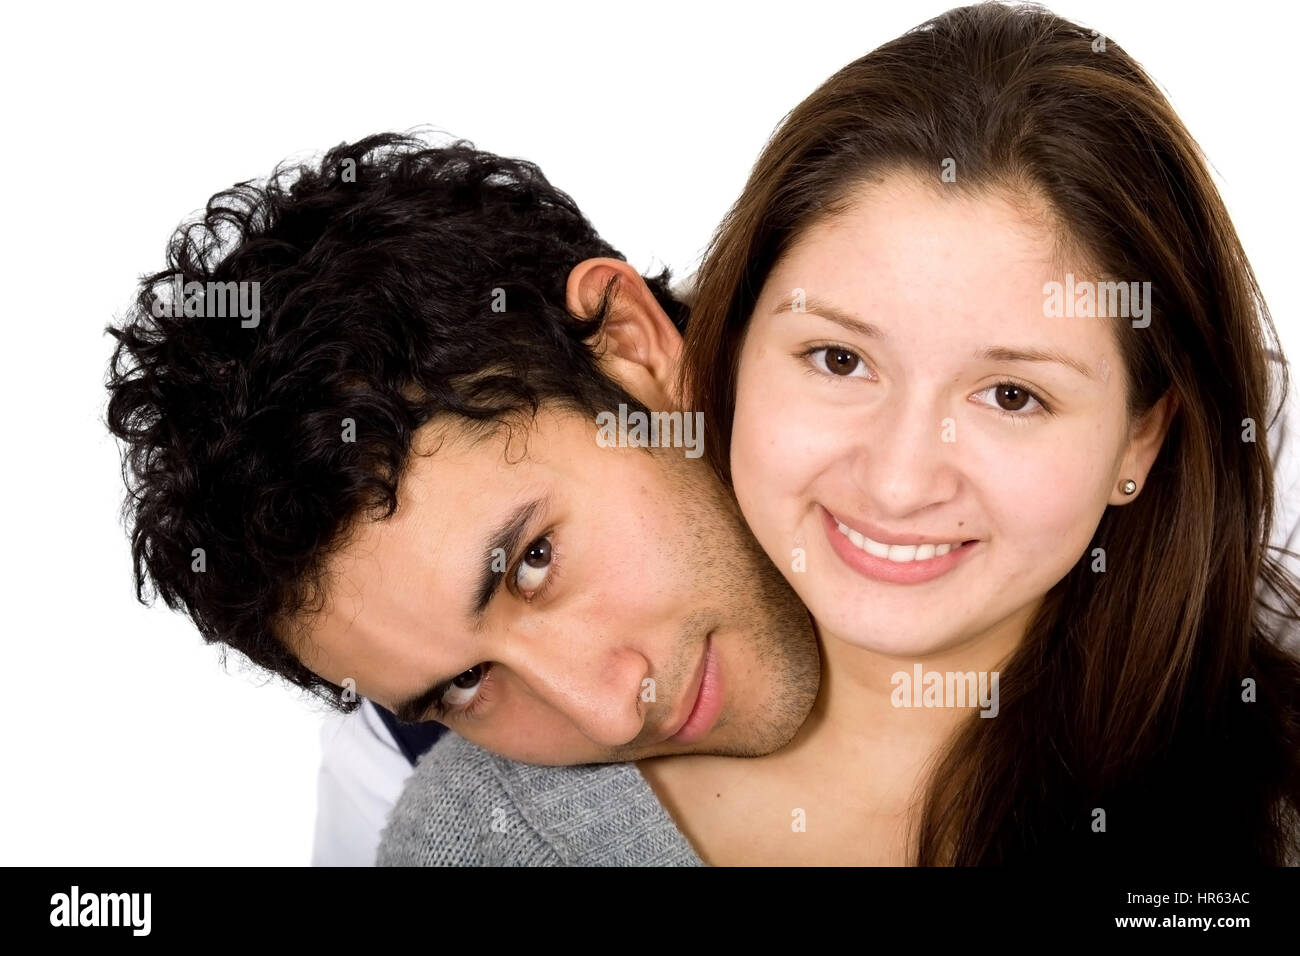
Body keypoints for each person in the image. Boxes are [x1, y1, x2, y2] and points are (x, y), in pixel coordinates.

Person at [378, 3, 1300, 866]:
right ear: (729, 350)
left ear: (1138, 443)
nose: (899, 481)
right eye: (838, 361)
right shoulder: (484, 834)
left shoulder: (1272, 797)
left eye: (1013, 395)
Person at [104, 136, 822, 802]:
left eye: (534, 562)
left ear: (626, 343)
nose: (608, 714)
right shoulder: (400, 785)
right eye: (466, 684)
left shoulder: (900, 332)